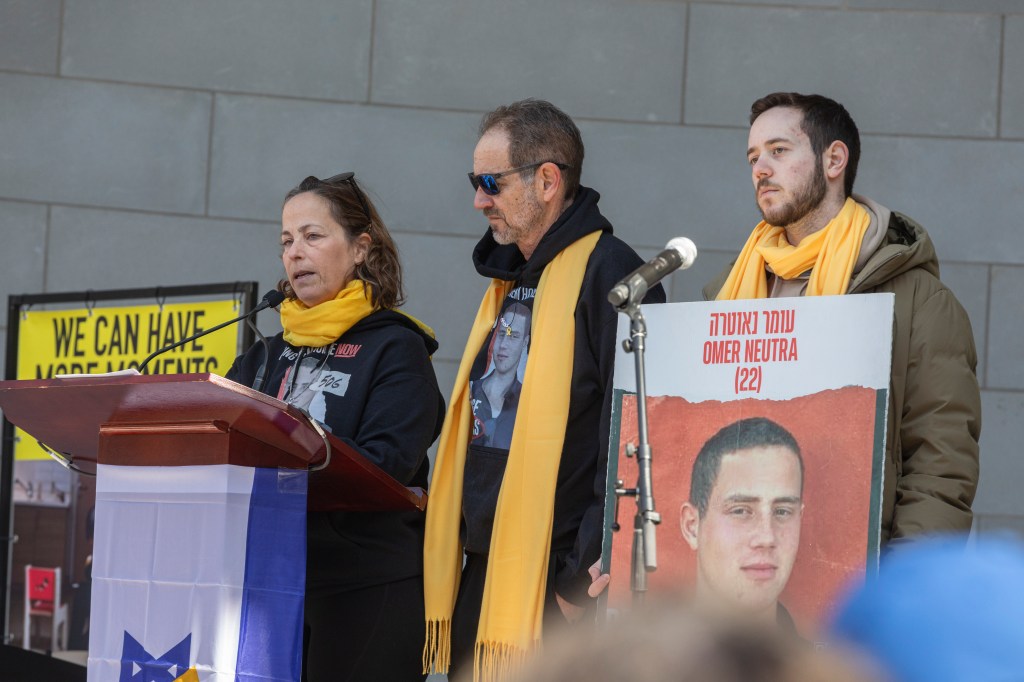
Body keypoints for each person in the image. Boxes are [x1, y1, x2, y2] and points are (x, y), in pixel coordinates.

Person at [422, 98, 666, 681]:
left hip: (557, 579)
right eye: (474, 182)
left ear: (548, 181)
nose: (479, 200)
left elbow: (629, 439)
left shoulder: (617, 280)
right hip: (484, 564)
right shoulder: (507, 278)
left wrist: (579, 579)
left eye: (491, 183)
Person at [706, 92, 980, 543]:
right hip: (744, 565)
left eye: (778, 150)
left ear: (834, 159)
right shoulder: (728, 292)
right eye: (753, 156)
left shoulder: (919, 301)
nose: (760, 169)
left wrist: (902, 586)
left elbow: (941, 464)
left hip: (857, 574)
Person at [226, 172, 444, 682]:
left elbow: (387, 461)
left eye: (312, 236)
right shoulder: (264, 356)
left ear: (361, 247)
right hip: (270, 583)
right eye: (286, 241)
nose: (294, 253)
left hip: (366, 586)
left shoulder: (395, 348)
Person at [679, 417, 804, 630]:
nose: (767, 537)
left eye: (782, 511)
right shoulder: (636, 661)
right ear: (692, 526)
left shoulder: (827, 663)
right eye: (740, 511)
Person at [469, 302, 530, 449]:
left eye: (514, 336)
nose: (503, 344)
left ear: (525, 342)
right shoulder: (472, 389)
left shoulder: (528, 399)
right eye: (501, 334)